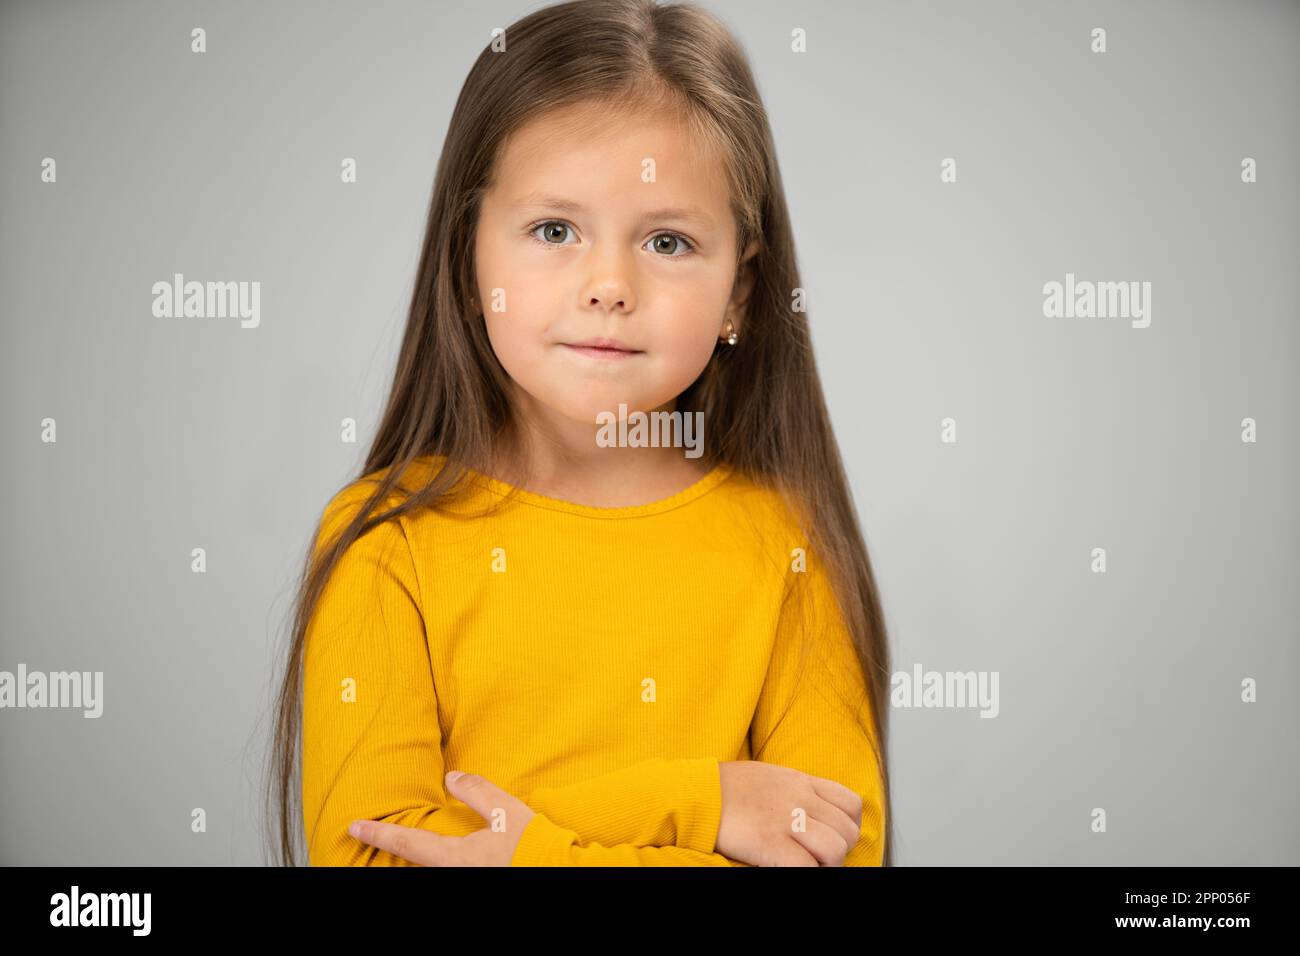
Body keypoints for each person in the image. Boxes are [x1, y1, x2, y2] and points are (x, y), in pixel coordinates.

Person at [267, 0, 894, 867]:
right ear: (469, 255)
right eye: (554, 230)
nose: (609, 285)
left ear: (740, 296)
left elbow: (832, 853)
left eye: (668, 241)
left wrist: (517, 848)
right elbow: (379, 857)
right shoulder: (387, 546)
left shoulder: (788, 547)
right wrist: (694, 803)